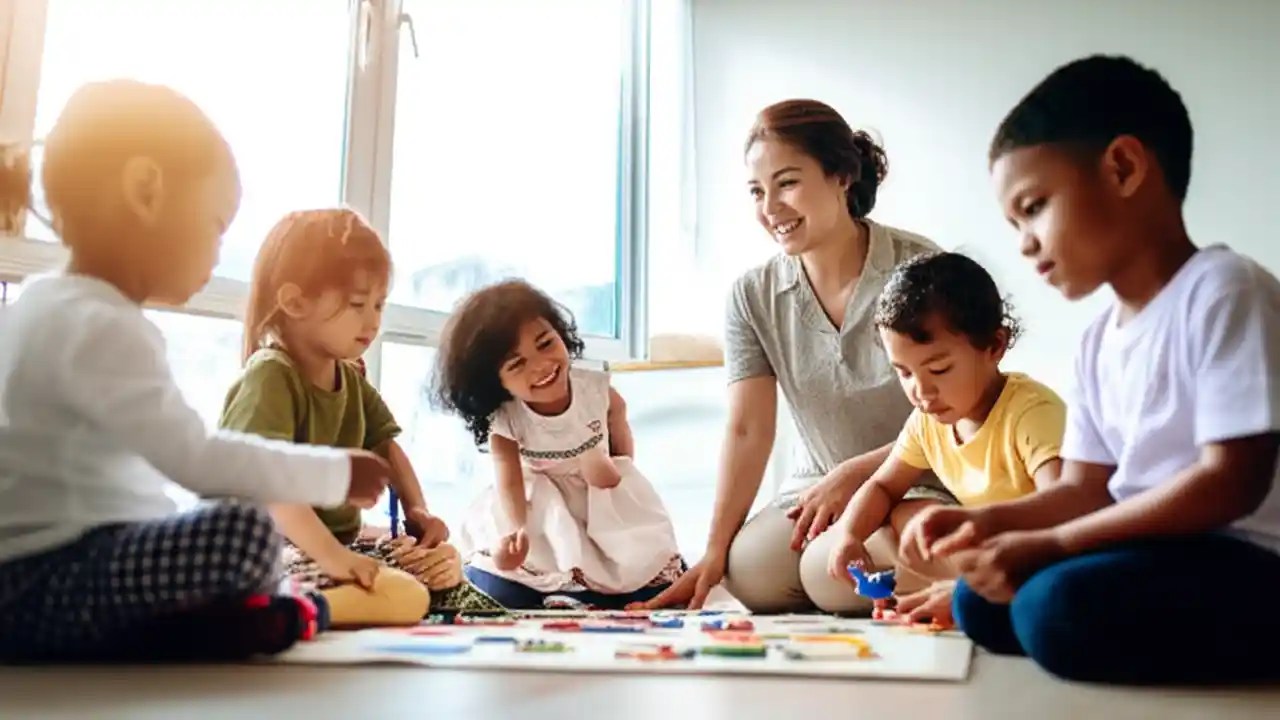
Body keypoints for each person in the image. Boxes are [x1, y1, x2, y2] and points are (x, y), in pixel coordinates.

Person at [909, 54, 1280, 684]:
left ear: (1124, 168)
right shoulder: (1097, 341)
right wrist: (986, 521)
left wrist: (1055, 546)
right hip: (1156, 553)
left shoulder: (1225, 290)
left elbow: (1232, 481)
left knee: (1053, 608)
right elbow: (1083, 489)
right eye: (1013, 222)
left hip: (1246, 556)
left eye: (1033, 207)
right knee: (980, 602)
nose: (1024, 242)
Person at [0, 81, 391, 661]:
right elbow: (201, 461)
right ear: (146, 190)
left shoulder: (40, 303)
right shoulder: (98, 323)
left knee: (214, 532)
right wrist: (335, 475)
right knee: (244, 532)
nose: (215, 254)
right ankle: (215, 624)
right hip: (47, 583)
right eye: (215, 225)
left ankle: (208, 624)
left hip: (45, 573)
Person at [641, 99, 953, 613]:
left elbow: (961, 406)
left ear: (841, 176)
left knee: (827, 575)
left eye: (787, 183)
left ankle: (937, 566)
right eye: (757, 192)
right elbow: (748, 431)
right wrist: (714, 550)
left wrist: (858, 475)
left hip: (918, 479)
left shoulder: (921, 266)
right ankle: (876, 570)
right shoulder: (752, 295)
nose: (770, 208)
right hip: (815, 488)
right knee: (750, 574)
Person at [220, 208, 502, 613]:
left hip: (329, 547)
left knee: (453, 583)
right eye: (357, 304)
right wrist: (338, 560)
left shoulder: (350, 380)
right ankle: (273, 613)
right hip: (262, 548)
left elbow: (387, 449)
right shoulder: (270, 376)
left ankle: (311, 606)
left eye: (378, 305)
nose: (372, 321)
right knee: (403, 595)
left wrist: (417, 511)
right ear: (295, 302)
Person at [825, 252, 1065, 625]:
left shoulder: (1031, 412)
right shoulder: (928, 420)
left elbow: (1065, 510)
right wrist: (848, 535)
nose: (922, 391)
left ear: (994, 347)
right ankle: (960, 590)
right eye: (903, 373)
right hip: (982, 548)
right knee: (904, 515)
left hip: (1042, 552)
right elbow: (883, 486)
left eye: (939, 369)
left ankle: (970, 594)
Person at [432, 280, 684, 609]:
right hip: (537, 498)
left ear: (560, 334)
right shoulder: (507, 417)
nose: (540, 365)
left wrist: (619, 465)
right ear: (495, 383)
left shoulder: (592, 386)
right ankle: (554, 590)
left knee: (637, 561)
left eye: (546, 343)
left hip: (596, 485)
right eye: (516, 364)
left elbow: (617, 414)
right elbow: (507, 477)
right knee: (509, 575)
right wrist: (516, 528)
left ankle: (604, 593)